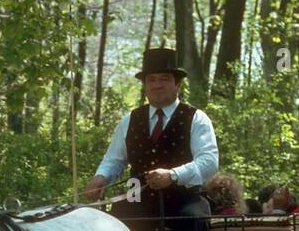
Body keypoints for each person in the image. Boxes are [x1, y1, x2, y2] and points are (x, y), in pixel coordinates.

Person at [84, 47, 219, 217]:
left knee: (192, 220)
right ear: (145, 86)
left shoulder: (196, 118)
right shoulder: (129, 120)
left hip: (185, 201)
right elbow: (114, 159)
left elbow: (209, 162)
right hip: (135, 201)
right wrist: (101, 177)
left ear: (177, 84)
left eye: (164, 79)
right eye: (151, 80)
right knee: (110, 225)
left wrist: (173, 175)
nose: (157, 85)